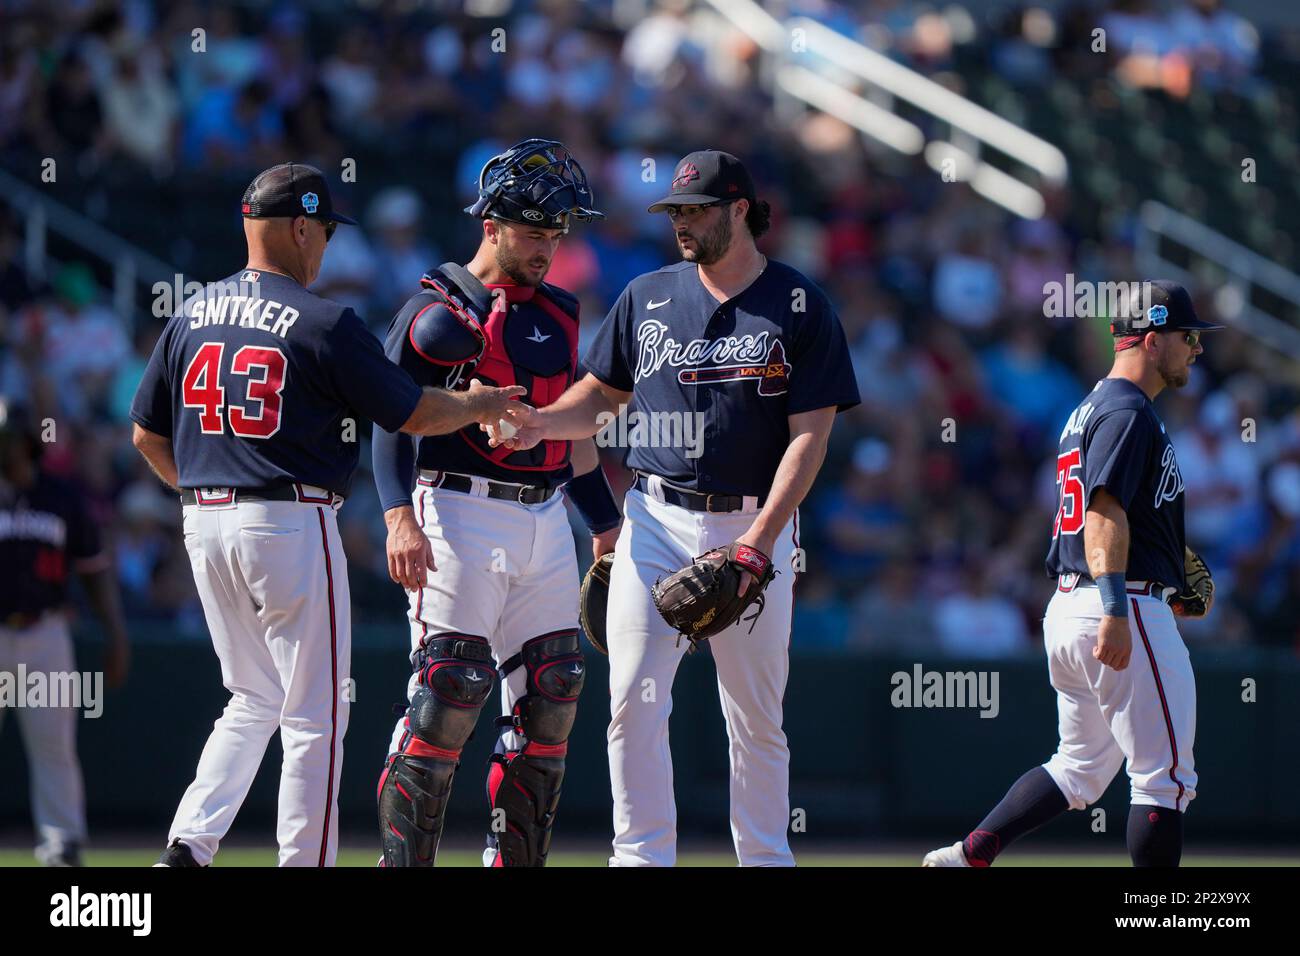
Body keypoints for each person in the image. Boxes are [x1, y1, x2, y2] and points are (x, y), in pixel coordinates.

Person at [129, 163, 524, 867]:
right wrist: (484, 403)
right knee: (317, 714)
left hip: (205, 518)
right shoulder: (324, 320)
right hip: (288, 520)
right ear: (300, 227)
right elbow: (412, 411)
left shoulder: (191, 310)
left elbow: (145, 434)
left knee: (251, 697)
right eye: (323, 234)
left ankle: (187, 848)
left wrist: (199, 498)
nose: (325, 249)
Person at [496, 150, 860, 866]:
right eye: (675, 212)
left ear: (740, 210)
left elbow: (811, 437)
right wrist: (541, 420)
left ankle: (763, 858)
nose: (682, 224)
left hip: (751, 521)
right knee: (633, 700)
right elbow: (601, 398)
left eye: (695, 210)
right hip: (655, 517)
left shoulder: (798, 304)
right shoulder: (649, 294)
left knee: (754, 716)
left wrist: (757, 543)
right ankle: (640, 858)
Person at [372, 139, 620, 867]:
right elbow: (392, 419)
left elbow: (567, 436)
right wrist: (397, 516)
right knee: (449, 691)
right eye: (532, 232)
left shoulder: (560, 314)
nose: (546, 248)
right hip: (456, 510)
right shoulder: (437, 313)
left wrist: (605, 526)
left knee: (553, 693)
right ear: (491, 225)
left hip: (544, 518)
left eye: (554, 233)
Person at [923, 280, 1220, 868]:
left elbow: (1115, 511)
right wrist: (1117, 606)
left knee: (1079, 769)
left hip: (1073, 604)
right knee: (1165, 779)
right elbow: (1103, 511)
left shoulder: (1091, 408)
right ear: (1153, 339)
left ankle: (968, 855)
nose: (1197, 349)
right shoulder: (1127, 410)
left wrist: (1160, 568)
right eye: (1188, 337)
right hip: (1117, 603)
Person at [0, 397, 130, 866]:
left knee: (54, 745)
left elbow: (95, 570)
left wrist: (115, 633)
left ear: (28, 443)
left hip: (45, 634)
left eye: (10, 439)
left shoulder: (60, 496)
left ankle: (62, 842)